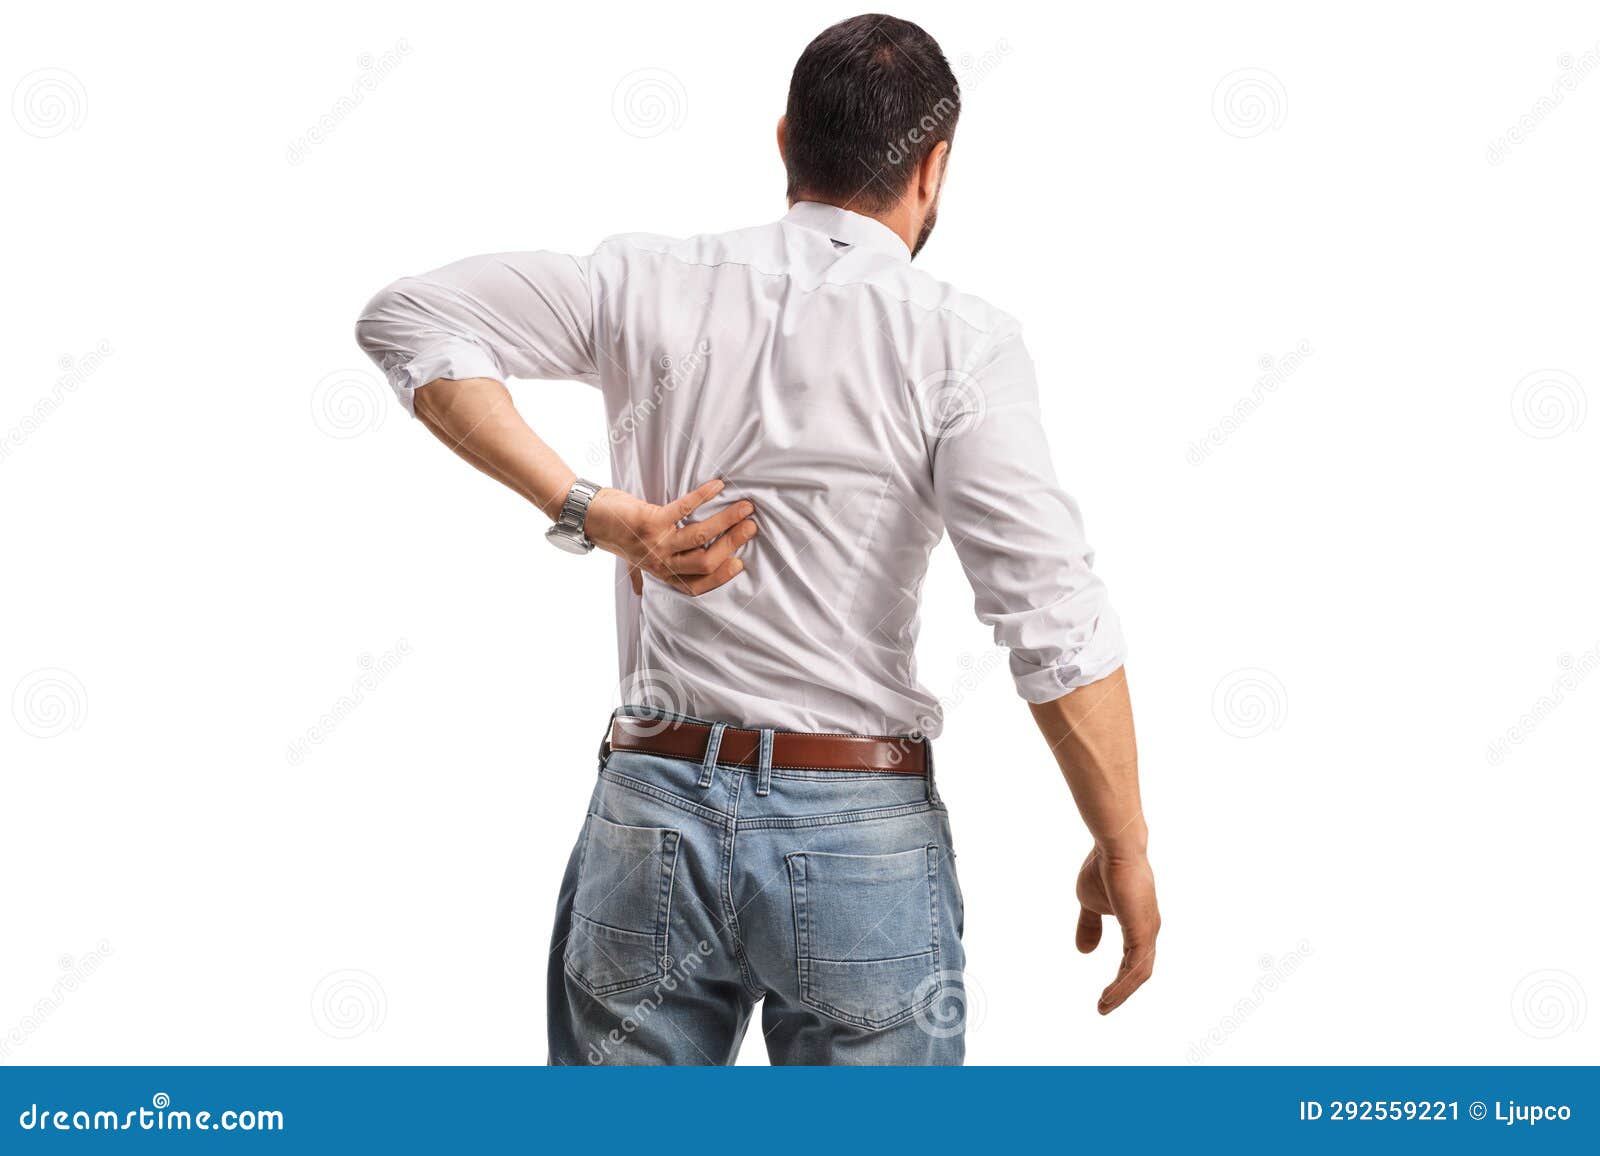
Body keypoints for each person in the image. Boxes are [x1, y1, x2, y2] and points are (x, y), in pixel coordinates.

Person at [355, 12, 1157, 1065]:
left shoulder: (647, 281)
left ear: (785, 142)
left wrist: (595, 512)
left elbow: (409, 317)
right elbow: (1049, 614)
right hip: (859, 837)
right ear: (934, 168)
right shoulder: (960, 343)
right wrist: (1121, 840)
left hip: (651, 818)